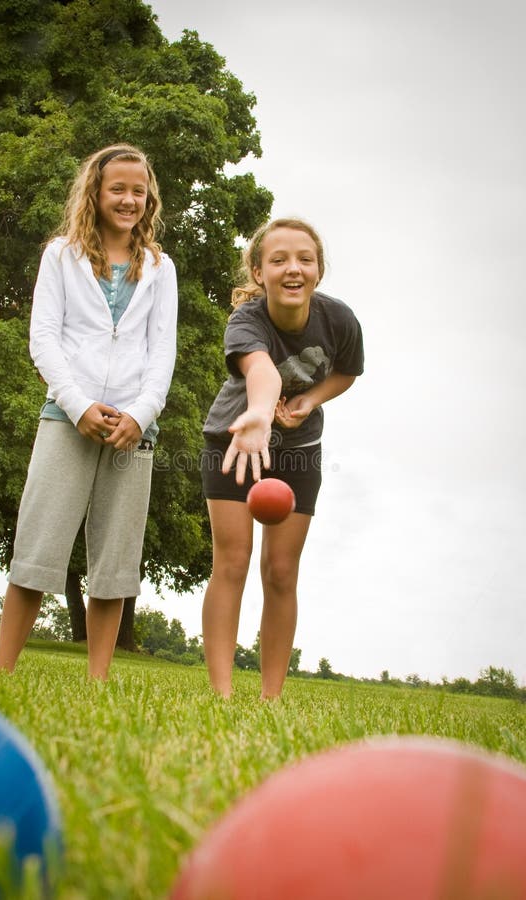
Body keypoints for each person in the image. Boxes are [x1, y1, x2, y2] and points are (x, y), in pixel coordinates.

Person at [0, 143, 178, 679]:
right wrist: (77, 406)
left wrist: (140, 416)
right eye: (117, 189)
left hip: (132, 430)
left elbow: (161, 350)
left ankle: (97, 682)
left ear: (149, 198)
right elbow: (44, 339)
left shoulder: (160, 268)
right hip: (67, 418)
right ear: (95, 193)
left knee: (116, 565)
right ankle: (3, 671)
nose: (128, 199)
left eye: (138, 191)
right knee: (36, 550)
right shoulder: (60, 255)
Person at [201, 217, 364, 699]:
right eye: (278, 260)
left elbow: (346, 373)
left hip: (298, 451)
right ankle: (222, 694)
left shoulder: (339, 320)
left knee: (281, 571)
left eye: (304, 259)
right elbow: (262, 373)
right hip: (236, 442)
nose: (292, 269)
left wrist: (309, 402)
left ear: (318, 270)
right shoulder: (246, 321)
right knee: (231, 561)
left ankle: (271, 698)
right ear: (258, 272)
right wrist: (257, 415)